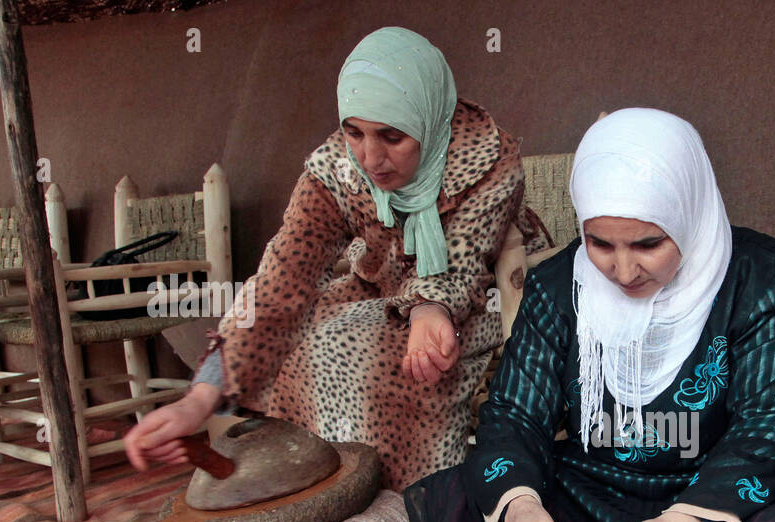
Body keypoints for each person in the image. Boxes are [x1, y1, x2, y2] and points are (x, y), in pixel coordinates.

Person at [404, 108, 775, 522]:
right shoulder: (559, 285)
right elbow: (514, 413)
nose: (623, 272)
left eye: (648, 243)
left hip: (704, 500)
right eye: (600, 244)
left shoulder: (765, 279)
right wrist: (521, 508)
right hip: (591, 487)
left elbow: (773, 425)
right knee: (462, 493)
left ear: (688, 215)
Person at [123, 27, 545, 490]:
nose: (370, 157)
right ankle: (314, 494)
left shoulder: (486, 155)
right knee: (298, 341)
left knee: (382, 358)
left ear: (428, 118)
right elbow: (283, 277)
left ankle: (408, 508)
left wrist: (429, 308)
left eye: (391, 136)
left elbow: (467, 255)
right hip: (376, 287)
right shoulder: (336, 169)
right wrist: (199, 399)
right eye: (355, 132)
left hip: (479, 297)